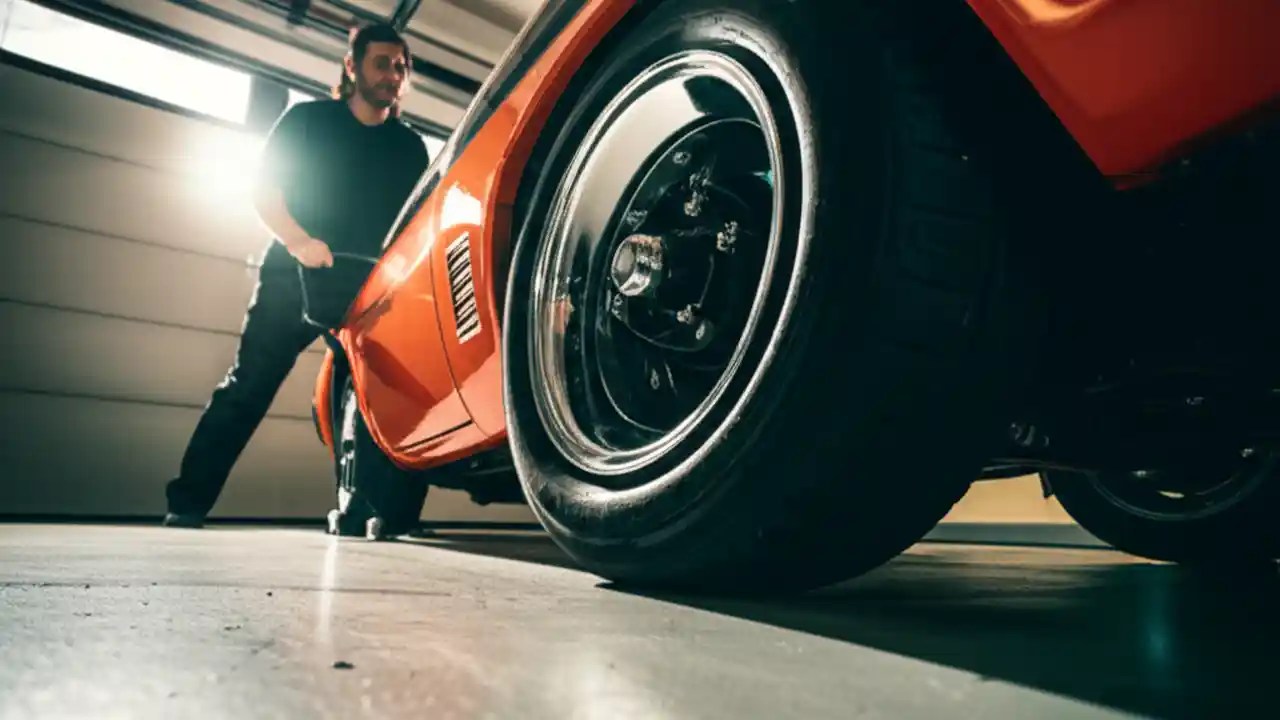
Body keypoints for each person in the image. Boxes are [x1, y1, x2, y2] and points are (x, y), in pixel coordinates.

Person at [163, 23, 430, 527]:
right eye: (381, 64)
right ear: (351, 67)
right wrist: (299, 241)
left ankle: (378, 512)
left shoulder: (409, 148)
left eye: (401, 67)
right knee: (248, 387)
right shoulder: (307, 121)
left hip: (367, 291)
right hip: (296, 274)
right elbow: (265, 191)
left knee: (382, 400)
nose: (393, 76)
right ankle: (186, 503)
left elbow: (412, 228)